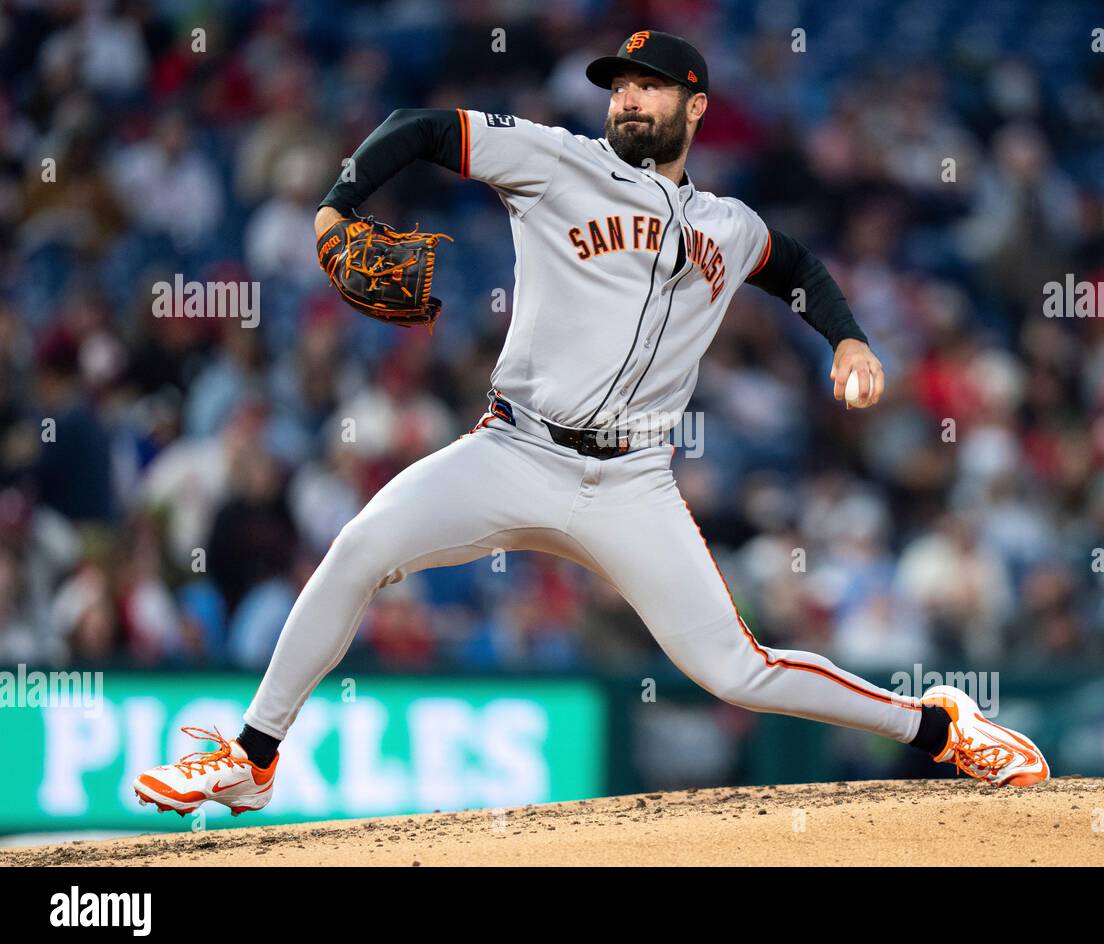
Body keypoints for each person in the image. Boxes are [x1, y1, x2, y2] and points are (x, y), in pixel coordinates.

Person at [134, 31, 1047, 818]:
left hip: (633, 482)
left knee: (736, 672)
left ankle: (938, 726)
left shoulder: (726, 224)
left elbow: (794, 263)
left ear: (696, 105)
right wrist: (340, 204)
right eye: (618, 86)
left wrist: (848, 340)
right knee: (359, 547)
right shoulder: (555, 159)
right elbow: (420, 127)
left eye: (648, 86)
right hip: (514, 449)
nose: (627, 99)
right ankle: (252, 757)